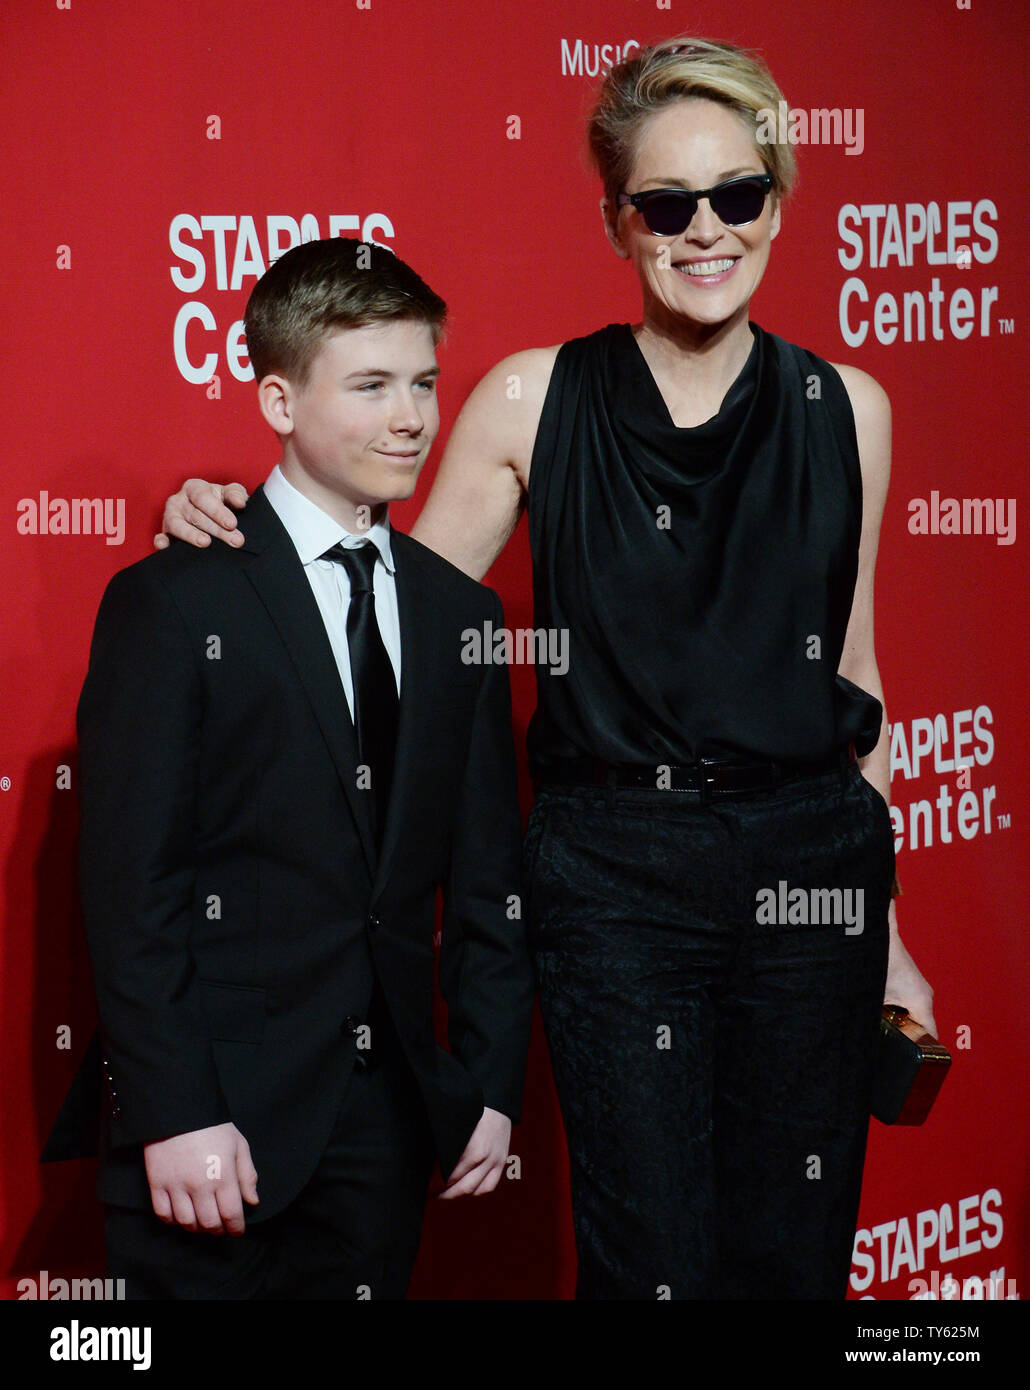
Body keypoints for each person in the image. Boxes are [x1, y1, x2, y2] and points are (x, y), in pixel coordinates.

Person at [158, 37, 935, 1300]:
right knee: (651, 1266)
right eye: (666, 204)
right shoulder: (531, 399)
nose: (705, 232)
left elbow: (855, 674)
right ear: (616, 219)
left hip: (813, 874)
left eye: (737, 195)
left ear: (779, 202)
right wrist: (229, 523)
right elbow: (382, 619)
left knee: (793, 1261)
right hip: (614, 878)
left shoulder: (847, 407)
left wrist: (887, 932)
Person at [45, 236, 534, 1300]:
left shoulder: (462, 615)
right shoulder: (175, 600)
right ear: (276, 400)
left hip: (388, 1137)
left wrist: (488, 1086)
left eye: (423, 383)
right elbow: (133, 886)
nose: (409, 417)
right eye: (369, 386)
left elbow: (489, 877)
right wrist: (172, 1109)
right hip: (209, 1128)